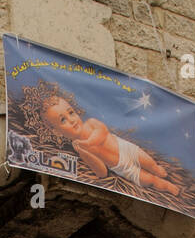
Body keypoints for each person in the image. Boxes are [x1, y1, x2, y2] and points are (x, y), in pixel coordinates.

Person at [18, 80, 184, 197]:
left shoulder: (90, 124)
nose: (71, 120)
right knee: (150, 180)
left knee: (150, 163)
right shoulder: (80, 147)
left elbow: (103, 132)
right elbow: (101, 172)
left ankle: (157, 170)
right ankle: (169, 187)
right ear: (57, 132)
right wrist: (85, 151)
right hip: (121, 167)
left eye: (70, 113)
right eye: (63, 120)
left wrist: (87, 142)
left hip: (127, 149)